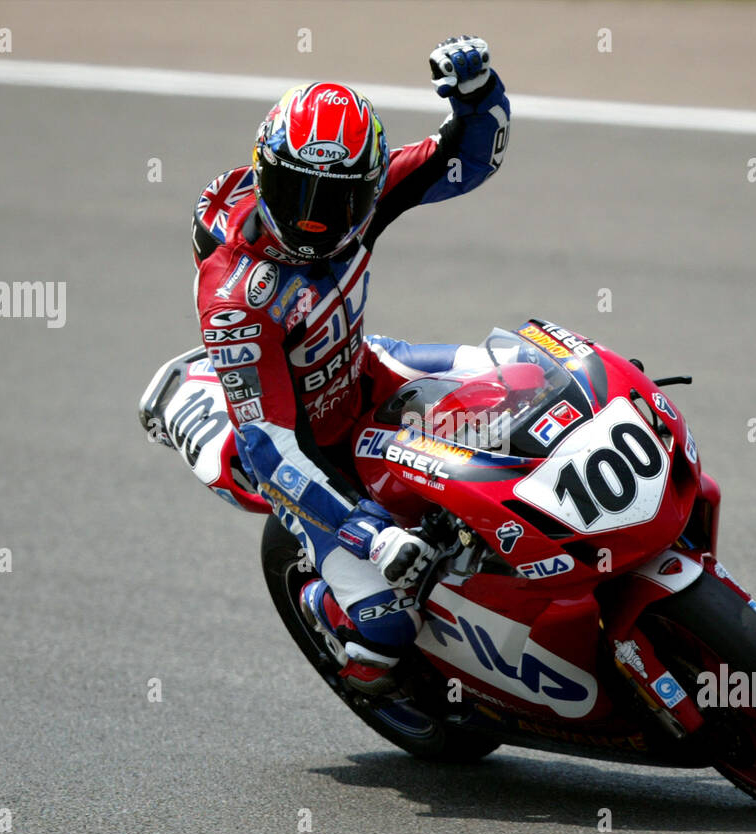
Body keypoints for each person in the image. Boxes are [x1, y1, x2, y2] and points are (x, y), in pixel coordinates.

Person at [174, 36, 509, 694]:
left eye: (336, 202)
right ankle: (328, 612)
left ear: (366, 182)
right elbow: (269, 446)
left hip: (368, 373)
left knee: (523, 374)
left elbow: (467, 160)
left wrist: (479, 95)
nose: (316, 223)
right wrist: (371, 534)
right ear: (266, 174)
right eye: (299, 194)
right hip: (313, 457)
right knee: (382, 637)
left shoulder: (367, 190)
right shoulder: (236, 295)